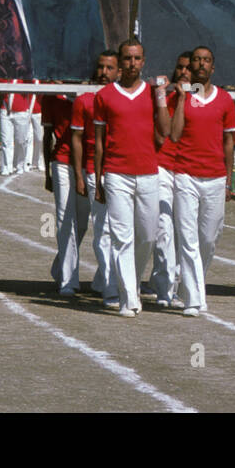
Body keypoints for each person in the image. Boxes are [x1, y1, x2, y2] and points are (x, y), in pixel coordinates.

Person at [92, 38, 172, 316]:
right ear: (120, 62)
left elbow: (166, 130)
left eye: (137, 58)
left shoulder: (152, 93)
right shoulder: (104, 96)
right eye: (127, 59)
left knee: (147, 236)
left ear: (144, 61)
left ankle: (133, 282)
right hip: (116, 175)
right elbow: (99, 141)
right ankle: (128, 298)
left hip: (149, 173)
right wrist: (99, 178)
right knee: (121, 236)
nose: (132, 64)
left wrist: (161, 95)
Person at [170, 46, 235, 317]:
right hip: (185, 175)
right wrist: (183, 99)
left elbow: (229, 142)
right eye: (196, 60)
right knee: (187, 238)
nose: (200, 64)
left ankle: (191, 285)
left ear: (213, 67)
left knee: (208, 239)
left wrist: (229, 180)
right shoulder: (180, 97)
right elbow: (173, 135)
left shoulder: (225, 100)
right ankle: (194, 299)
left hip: (216, 178)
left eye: (205, 60)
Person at [68, 51, 119, 300]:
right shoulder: (84, 100)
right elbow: (76, 141)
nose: (104, 72)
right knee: (103, 229)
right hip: (93, 171)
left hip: (123, 171)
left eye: (110, 68)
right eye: (101, 67)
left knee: (125, 230)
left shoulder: (124, 99)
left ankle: (102, 279)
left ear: (118, 71)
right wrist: (79, 176)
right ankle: (110, 285)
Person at [149, 51, 192, 307]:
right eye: (180, 68)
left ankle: (177, 282)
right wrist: (163, 97)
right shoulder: (164, 98)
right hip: (163, 166)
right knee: (163, 228)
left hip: (190, 171)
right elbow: (162, 132)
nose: (184, 72)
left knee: (185, 231)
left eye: (188, 68)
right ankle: (165, 288)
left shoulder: (201, 101)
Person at [42, 87, 82, 294]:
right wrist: (47, 173)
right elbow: (47, 135)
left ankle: (59, 267)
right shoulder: (51, 95)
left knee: (82, 223)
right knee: (65, 220)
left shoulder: (91, 91)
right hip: (62, 162)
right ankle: (68, 279)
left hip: (88, 163)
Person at [0, 84, 34, 176]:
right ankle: (7, 167)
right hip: (5, 109)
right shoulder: (7, 74)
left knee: (21, 140)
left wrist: (29, 113)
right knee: (6, 141)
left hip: (21, 111)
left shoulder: (24, 75)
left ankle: (20, 165)